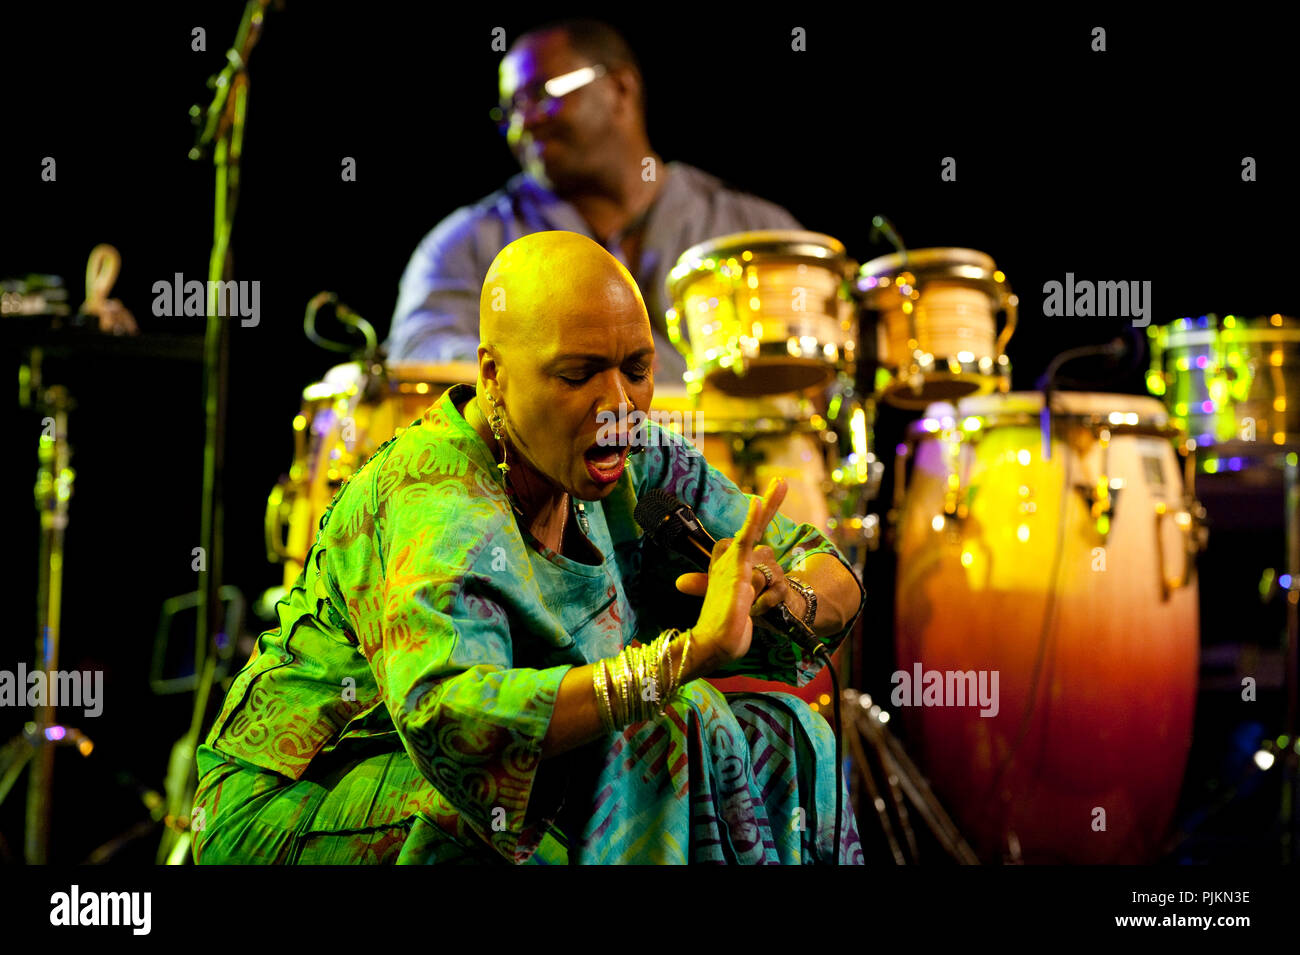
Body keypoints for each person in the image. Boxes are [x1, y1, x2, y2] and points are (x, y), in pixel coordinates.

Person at [193, 231, 864, 864]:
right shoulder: (432, 499)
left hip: (495, 766)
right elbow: (458, 721)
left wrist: (789, 594)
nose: (618, 404)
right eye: (578, 376)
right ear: (494, 376)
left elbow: (831, 569)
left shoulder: (631, 456)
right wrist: (683, 657)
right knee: (609, 770)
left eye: (637, 368)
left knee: (775, 731)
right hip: (304, 792)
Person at [386, 18, 801, 388]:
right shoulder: (467, 243)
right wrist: (550, 366)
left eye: (541, 94)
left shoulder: (753, 229)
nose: (523, 123)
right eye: (510, 109)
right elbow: (419, 349)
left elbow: (817, 377)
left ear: (620, 87)